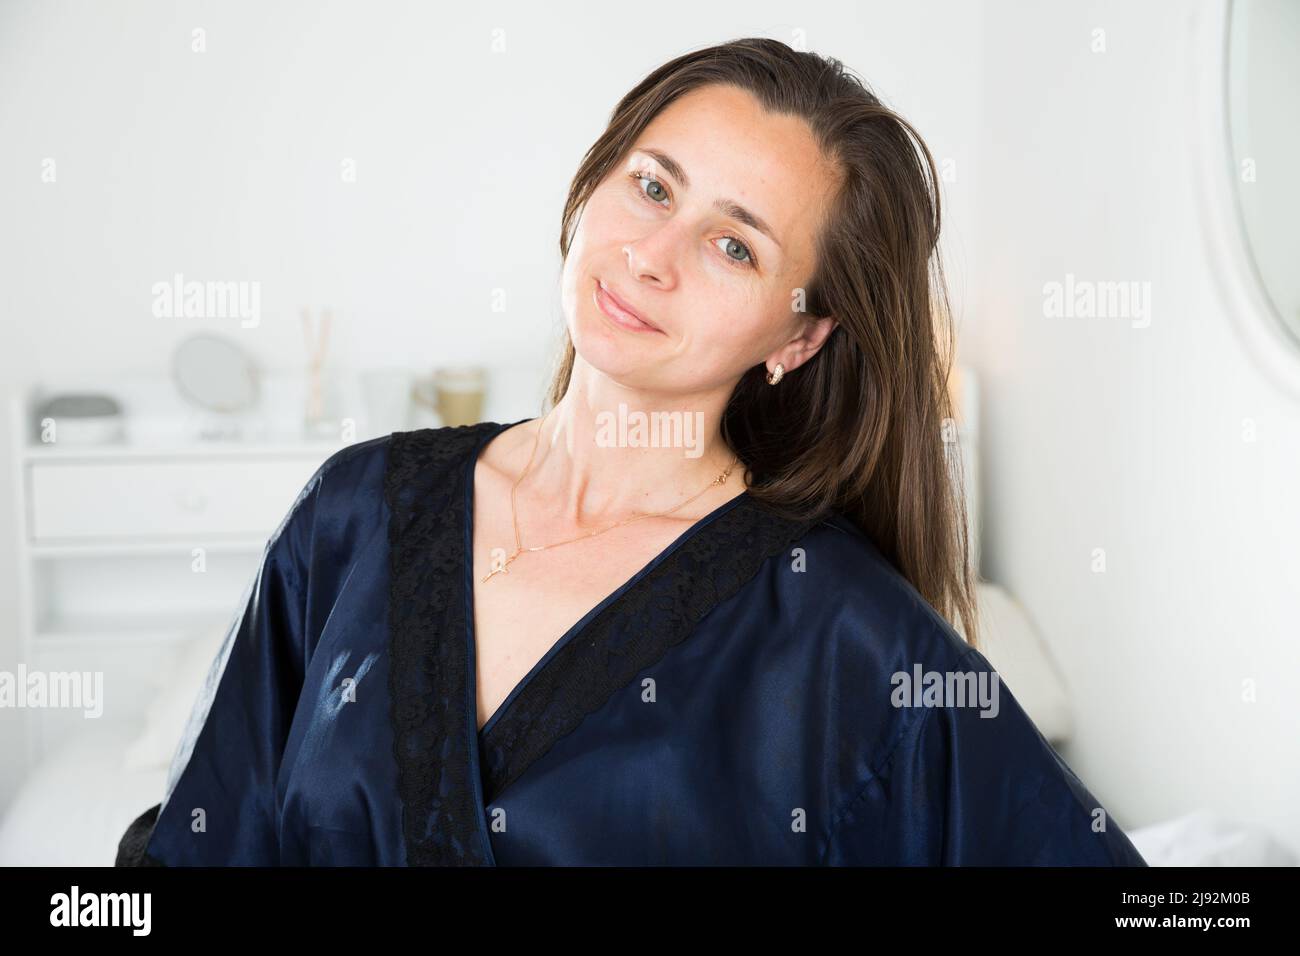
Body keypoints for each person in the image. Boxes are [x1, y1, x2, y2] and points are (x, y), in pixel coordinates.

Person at [117, 38, 1146, 867]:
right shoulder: (357, 511)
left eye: (734, 245)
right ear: (594, 180)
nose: (652, 257)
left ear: (796, 337)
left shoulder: (846, 636)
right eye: (653, 187)